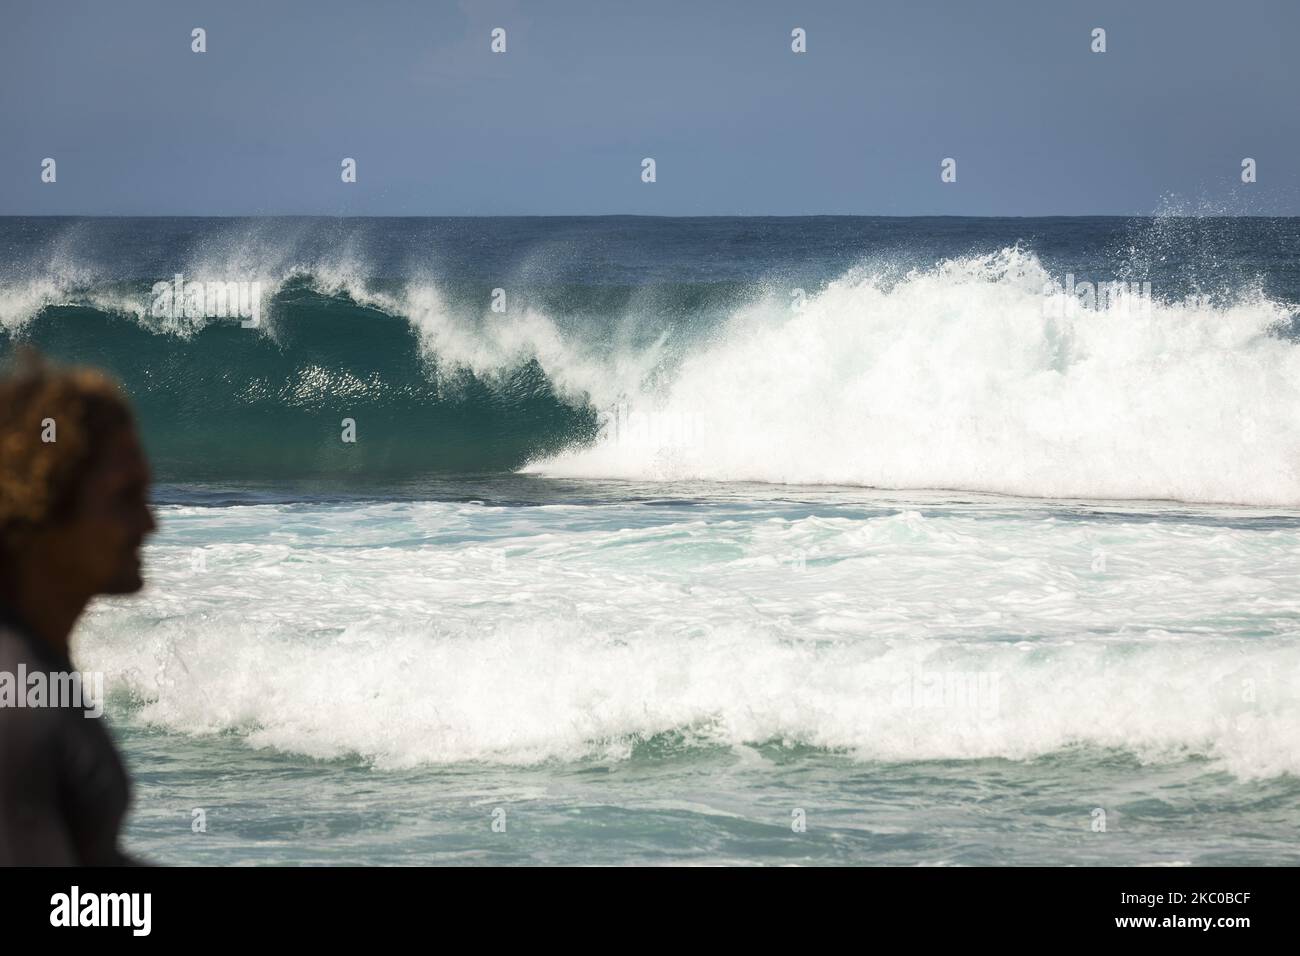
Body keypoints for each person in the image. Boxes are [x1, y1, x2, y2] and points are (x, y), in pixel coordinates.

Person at [0, 349, 155, 864]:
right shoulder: (19, 705)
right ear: (44, 507)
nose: (149, 524)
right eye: (124, 498)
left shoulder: (36, 662)